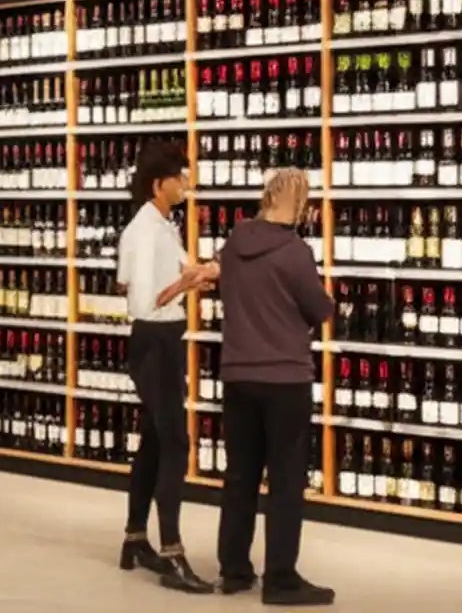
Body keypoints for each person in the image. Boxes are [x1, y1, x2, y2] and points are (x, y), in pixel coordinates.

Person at [216, 168, 335, 606]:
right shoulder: (294, 251)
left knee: (240, 475)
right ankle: (280, 579)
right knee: (285, 481)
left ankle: (233, 570)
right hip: (284, 378)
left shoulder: (232, 245)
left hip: (238, 375)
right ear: (299, 203)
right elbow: (318, 309)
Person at [116, 141, 217, 594]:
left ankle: (135, 539)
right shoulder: (146, 231)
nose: (187, 185)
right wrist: (191, 280)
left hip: (161, 340)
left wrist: (194, 278)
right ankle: (173, 553)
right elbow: (142, 298)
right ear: (160, 183)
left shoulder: (159, 225)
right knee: (176, 441)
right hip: (155, 342)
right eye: (182, 177)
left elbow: (141, 281)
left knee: (155, 440)